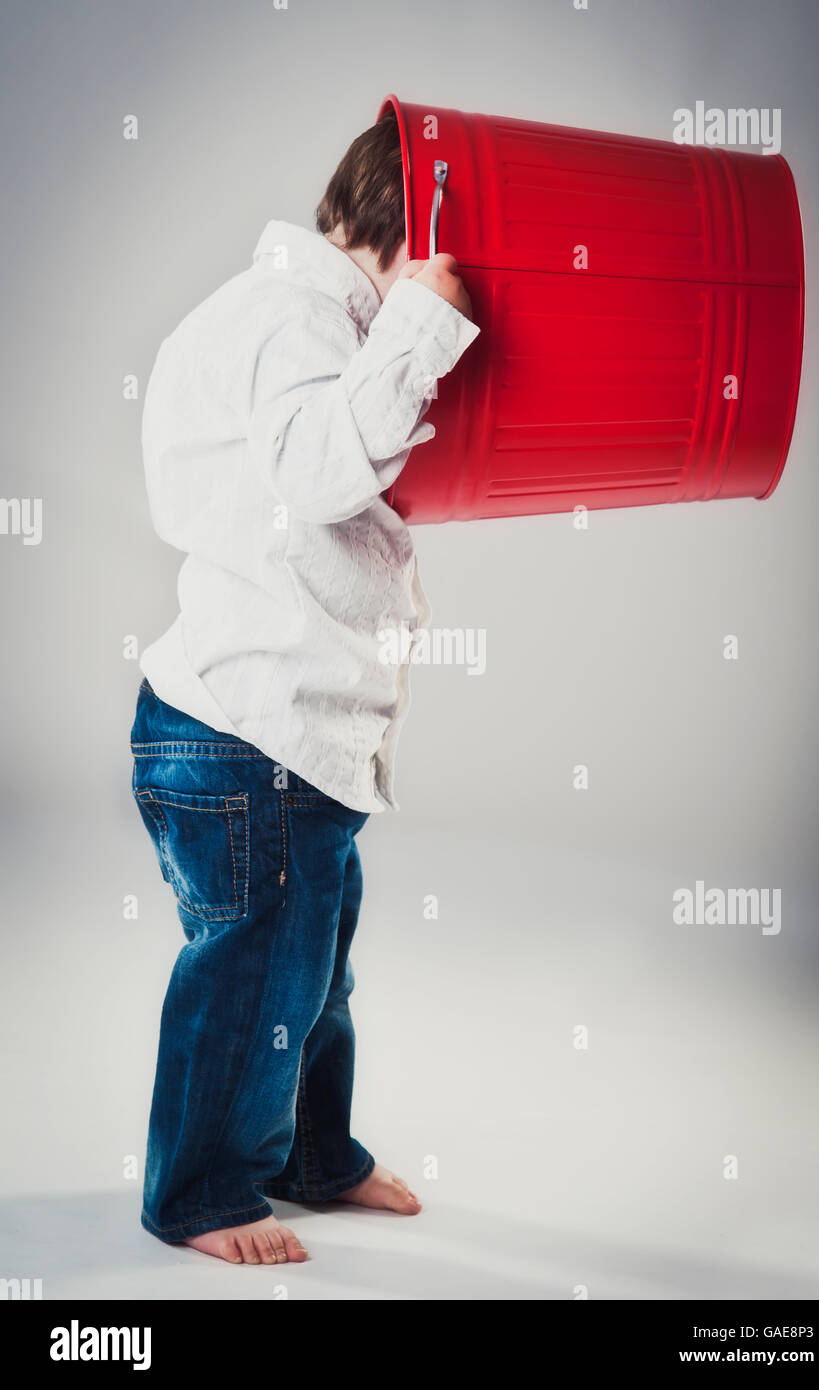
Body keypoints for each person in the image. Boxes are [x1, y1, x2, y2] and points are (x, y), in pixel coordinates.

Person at [128, 109, 480, 1265]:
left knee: (310, 961)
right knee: (252, 967)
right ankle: (202, 1190)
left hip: (262, 733)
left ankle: (310, 1152)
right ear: (409, 241)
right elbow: (319, 468)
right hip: (248, 731)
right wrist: (428, 320)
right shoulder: (296, 318)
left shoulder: (285, 310)